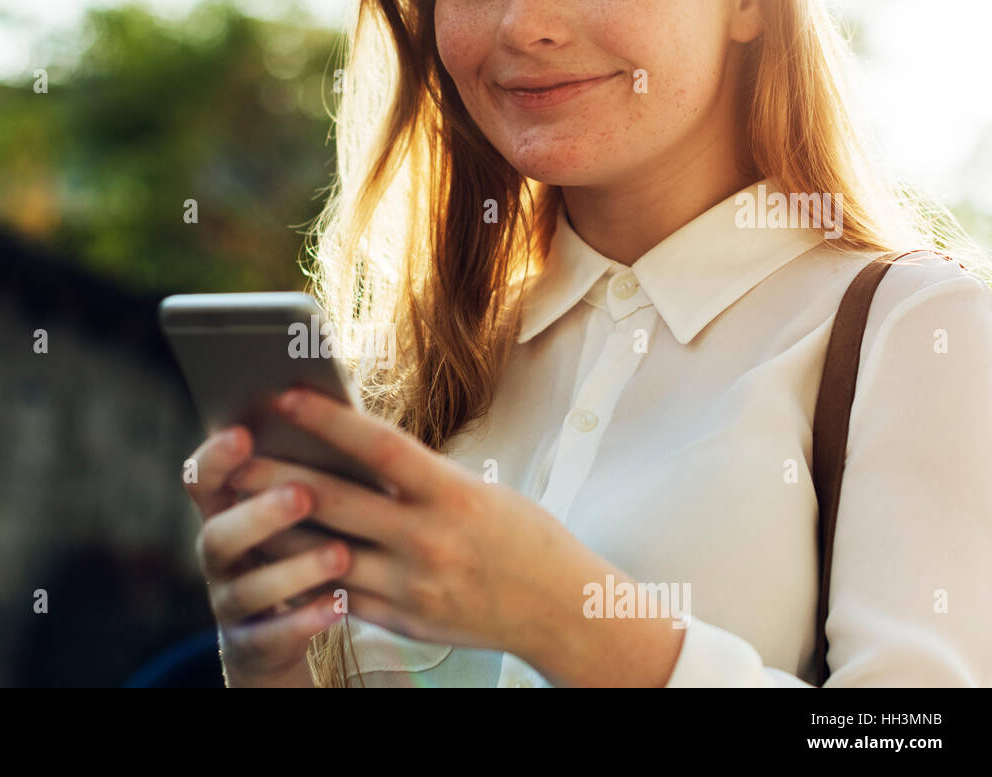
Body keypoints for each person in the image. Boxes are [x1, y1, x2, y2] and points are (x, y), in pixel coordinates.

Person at [183, 0, 992, 687]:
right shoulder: (413, 368)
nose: (525, 23)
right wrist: (272, 664)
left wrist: (573, 620)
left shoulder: (914, 327)